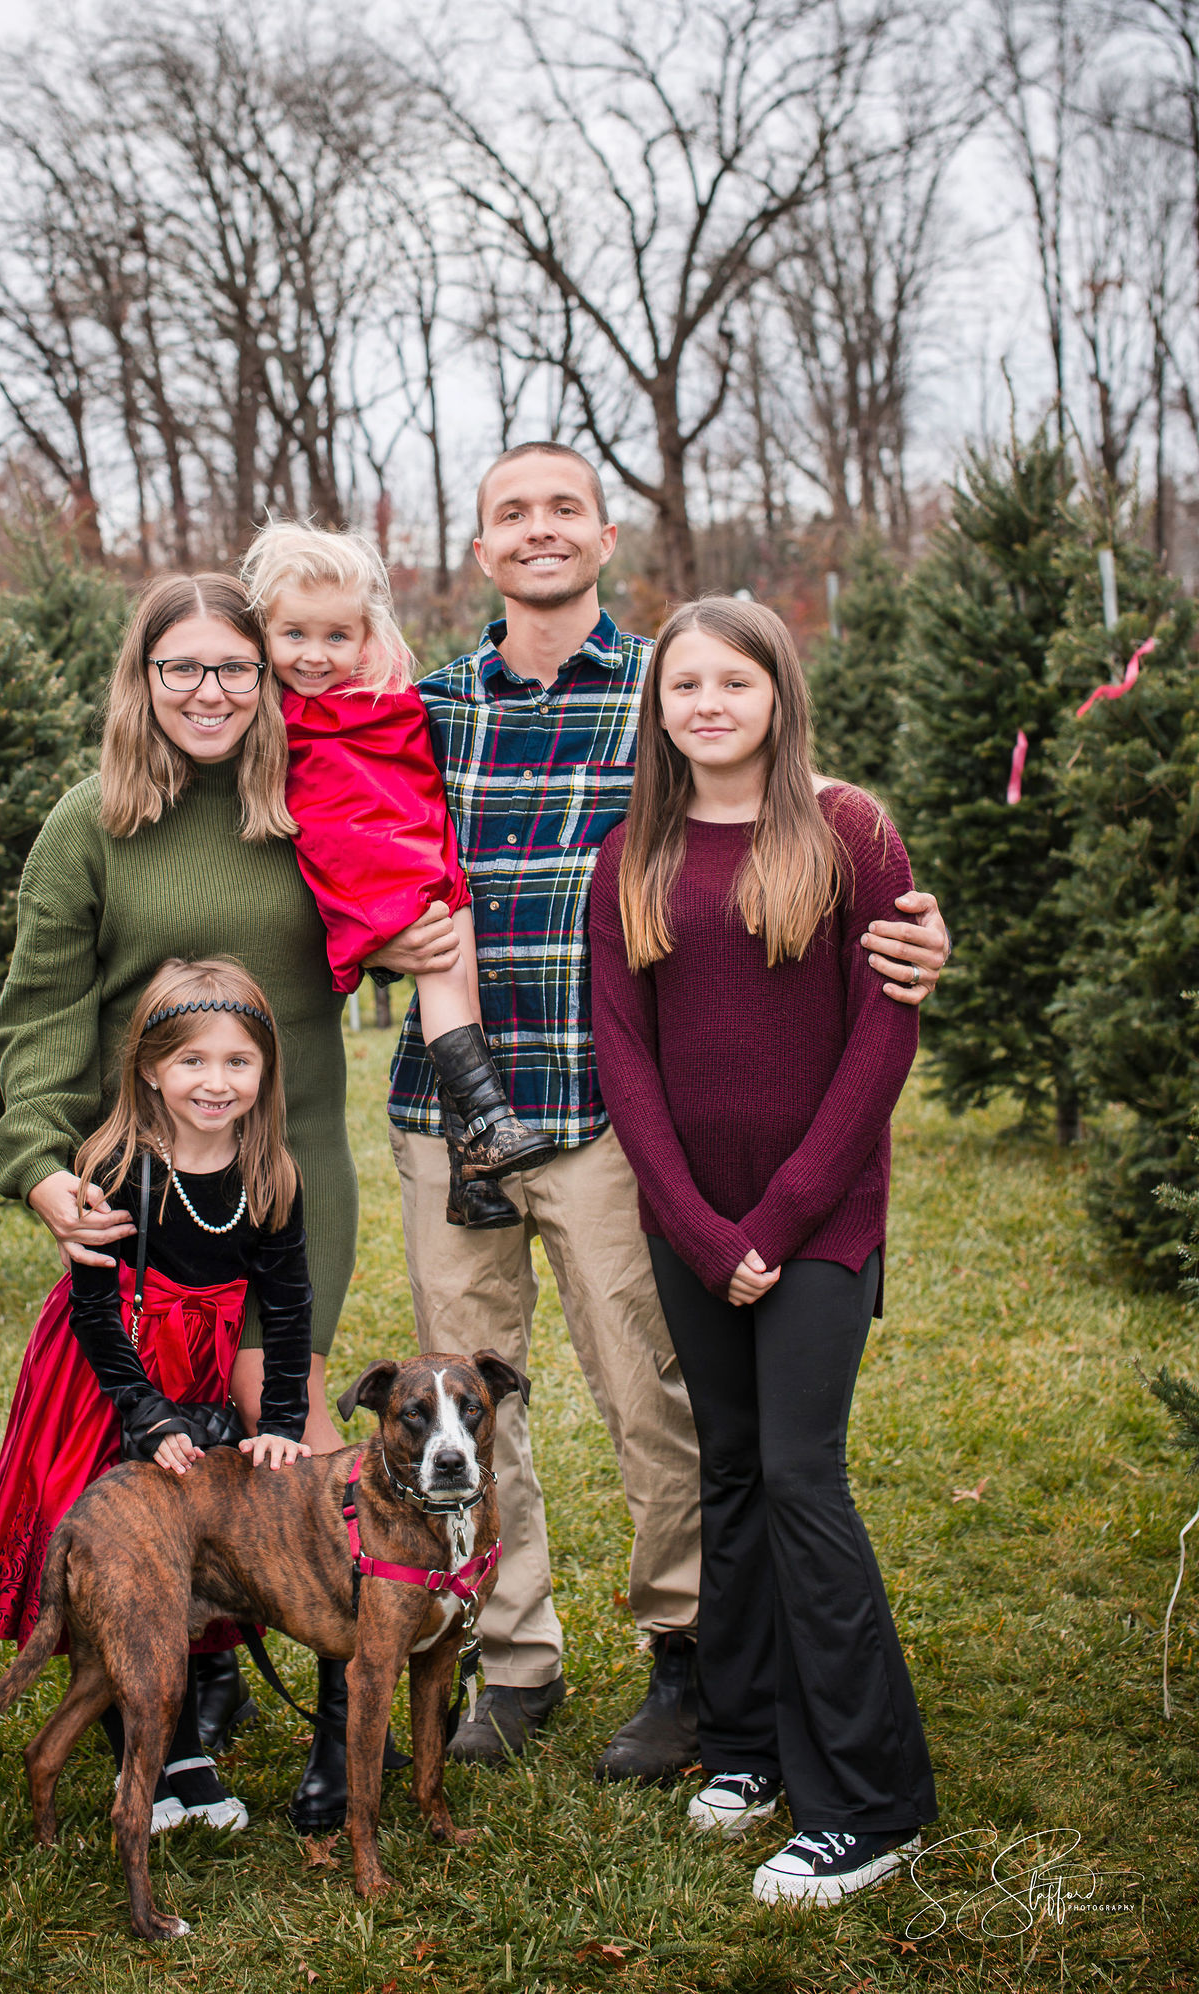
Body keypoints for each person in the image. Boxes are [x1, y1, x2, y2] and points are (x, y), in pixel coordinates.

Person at [372, 442, 952, 1781]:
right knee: (465, 1398)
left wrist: (921, 929)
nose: (538, 531)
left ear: (604, 533)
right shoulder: (429, 709)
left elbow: (803, 824)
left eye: (562, 509)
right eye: (509, 513)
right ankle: (507, 1654)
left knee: (654, 1396)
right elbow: (349, 838)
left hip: (607, 1114)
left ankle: (693, 1651)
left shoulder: (666, 690)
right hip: (441, 1110)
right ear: (478, 547)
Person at [0, 572, 358, 1817]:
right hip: (150, 1187)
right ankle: (178, 1700)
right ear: (140, 681)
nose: (209, 691)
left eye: (234, 668)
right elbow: (35, 1021)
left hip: (289, 1174)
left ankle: (339, 1713)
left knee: (286, 1436)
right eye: (181, 667)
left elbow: (416, 880)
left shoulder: (309, 806)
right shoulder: (87, 823)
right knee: (169, 1458)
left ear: (267, 684)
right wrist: (42, 1166)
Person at [589, 595, 936, 1904]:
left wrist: (778, 1222)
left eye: (737, 681)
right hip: (692, 1221)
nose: (711, 704)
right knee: (726, 1468)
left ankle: (869, 1796)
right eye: (687, 685)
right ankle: (743, 1740)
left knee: (801, 1475)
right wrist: (696, 1226)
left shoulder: (849, 834)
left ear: (778, 694)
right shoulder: (634, 852)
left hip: (820, 1218)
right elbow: (626, 1060)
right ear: (661, 707)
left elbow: (880, 1043)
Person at [0, 956, 312, 1834]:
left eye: (238, 1062)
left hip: (199, 1379)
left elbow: (289, 1305)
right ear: (151, 1067)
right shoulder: (117, 1165)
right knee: (121, 1562)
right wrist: (144, 1414)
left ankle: (185, 1747)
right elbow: (93, 1309)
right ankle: (144, 1762)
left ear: (265, 1070)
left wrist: (277, 1423)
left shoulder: (269, 1175)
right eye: (193, 1060)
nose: (216, 1082)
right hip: (105, 1379)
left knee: (185, 1555)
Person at [239, 519, 553, 1227]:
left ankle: (471, 1176)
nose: (316, 656)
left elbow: (401, 757)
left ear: (365, 634)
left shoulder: (378, 690)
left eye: (336, 638)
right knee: (444, 969)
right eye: (294, 636)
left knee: (460, 970)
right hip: (367, 860)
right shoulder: (273, 710)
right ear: (264, 633)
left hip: (417, 846)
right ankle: (488, 1117)